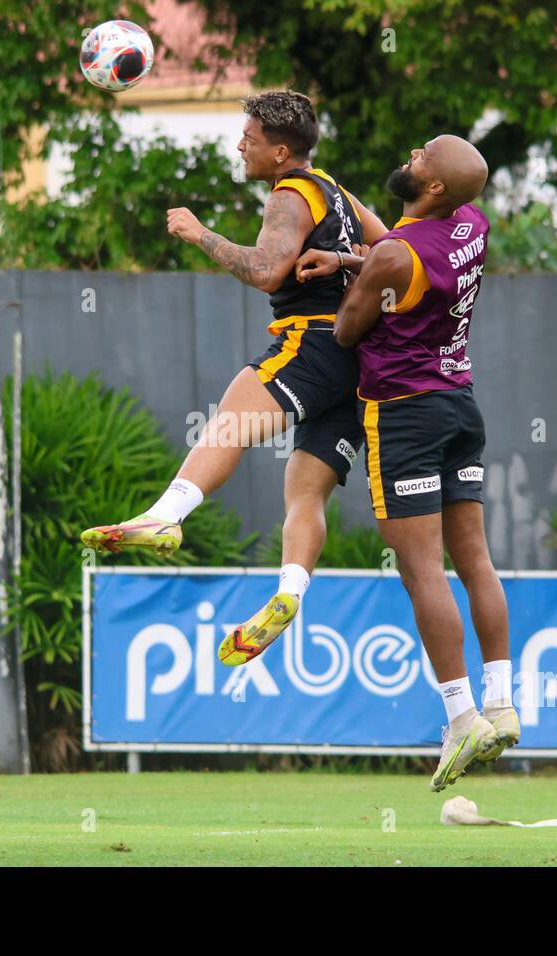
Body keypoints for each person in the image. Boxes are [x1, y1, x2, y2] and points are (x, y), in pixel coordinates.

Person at [81, 91, 386, 667]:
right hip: (358, 361)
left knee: (228, 425)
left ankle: (164, 518)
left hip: (311, 342)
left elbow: (268, 271)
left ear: (279, 151)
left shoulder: (290, 194)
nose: (239, 143)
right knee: (305, 489)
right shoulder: (335, 191)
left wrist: (201, 235)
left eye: (249, 136)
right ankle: (290, 593)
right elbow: (394, 245)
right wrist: (347, 261)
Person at [296, 135, 520, 790]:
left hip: (402, 415)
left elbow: (346, 329)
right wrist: (355, 257)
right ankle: (502, 705)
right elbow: (403, 262)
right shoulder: (471, 224)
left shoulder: (394, 254)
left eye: (423, 158)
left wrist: (351, 273)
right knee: (474, 559)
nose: (413, 156)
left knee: (422, 571)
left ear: (435, 188)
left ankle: (460, 717)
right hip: (459, 406)